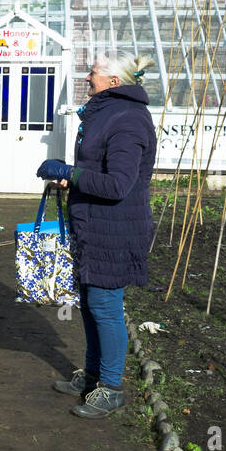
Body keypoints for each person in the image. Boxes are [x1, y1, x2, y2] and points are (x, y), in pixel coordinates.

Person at [37, 52, 157, 418]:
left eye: (93, 74)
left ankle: (111, 388)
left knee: (105, 306)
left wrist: (70, 174)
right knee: (89, 302)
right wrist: (69, 176)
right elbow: (97, 171)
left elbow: (119, 185)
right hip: (93, 224)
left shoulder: (129, 120)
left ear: (114, 82)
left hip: (115, 229)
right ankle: (91, 376)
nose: (87, 78)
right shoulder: (106, 113)